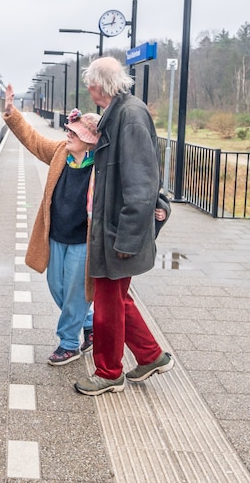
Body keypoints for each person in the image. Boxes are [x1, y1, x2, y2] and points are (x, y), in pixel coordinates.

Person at [75, 56, 175, 396]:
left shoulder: (130, 116)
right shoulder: (119, 112)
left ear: (98, 85)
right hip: (112, 229)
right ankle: (150, 356)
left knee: (107, 306)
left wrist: (128, 238)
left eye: (89, 83)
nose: (87, 89)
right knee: (117, 299)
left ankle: (108, 372)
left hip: (118, 232)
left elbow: (141, 184)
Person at [3, 84, 99, 365]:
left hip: (83, 240)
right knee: (57, 286)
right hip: (55, 235)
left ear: (90, 141)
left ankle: (68, 343)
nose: (67, 135)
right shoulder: (60, 153)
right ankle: (90, 323)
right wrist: (12, 113)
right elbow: (32, 139)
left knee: (76, 291)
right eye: (69, 132)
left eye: (74, 133)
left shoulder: (101, 166)